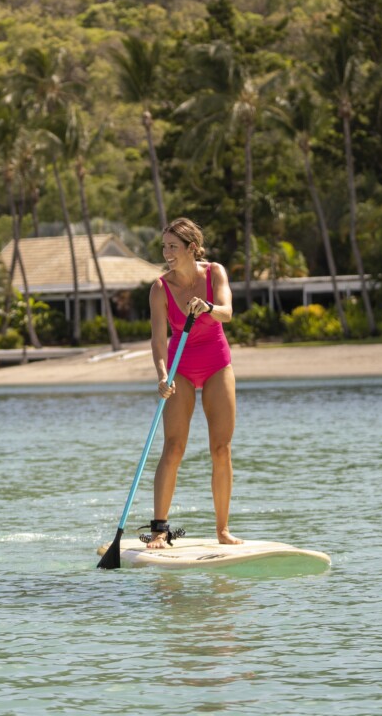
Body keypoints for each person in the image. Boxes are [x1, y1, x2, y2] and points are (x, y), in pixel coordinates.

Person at [143, 217, 242, 549]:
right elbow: (158, 340)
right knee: (173, 447)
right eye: (164, 246)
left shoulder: (215, 273)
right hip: (179, 367)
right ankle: (159, 530)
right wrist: (161, 374)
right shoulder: (160, 288)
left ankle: (223, 530)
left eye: (173, 246)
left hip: (216, 362)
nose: (167, 252)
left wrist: (208, 307)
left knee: (221, 449)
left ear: (192, 248)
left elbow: (227, 312)